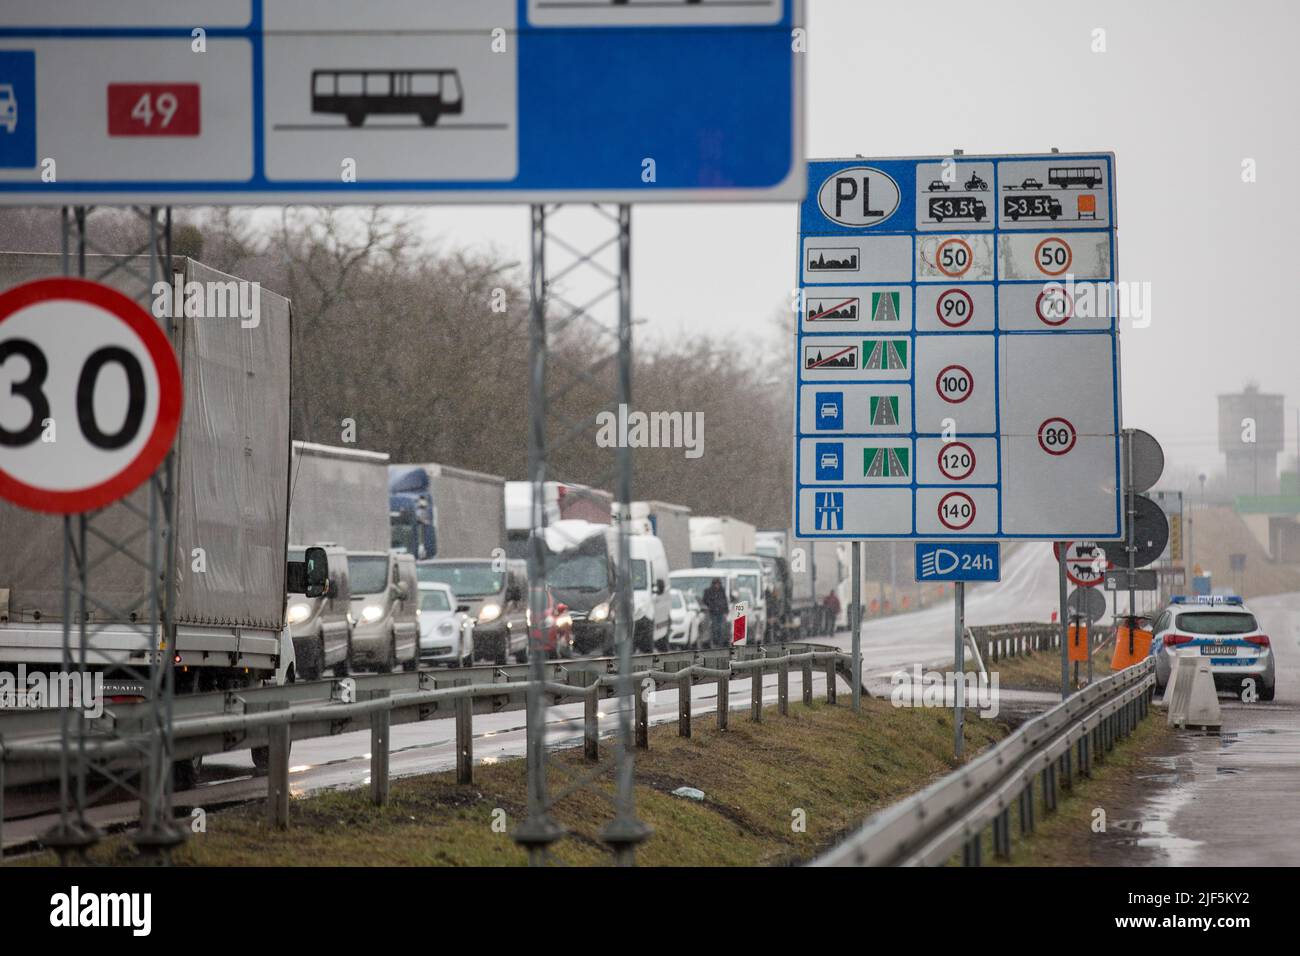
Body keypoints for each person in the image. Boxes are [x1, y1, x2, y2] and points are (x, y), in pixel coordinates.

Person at [702, 577, 730, 648]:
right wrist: (711, 605)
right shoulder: (708, 591)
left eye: (718, 584)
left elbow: (725, 601)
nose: (717, 586)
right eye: (716, 584)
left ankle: (720, 642)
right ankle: (715, 641)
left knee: (721, 628)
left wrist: (726, 610)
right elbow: (705, 600)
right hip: (712, 612)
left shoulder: (722, 591)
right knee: (714, 627)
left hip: (720, 612)